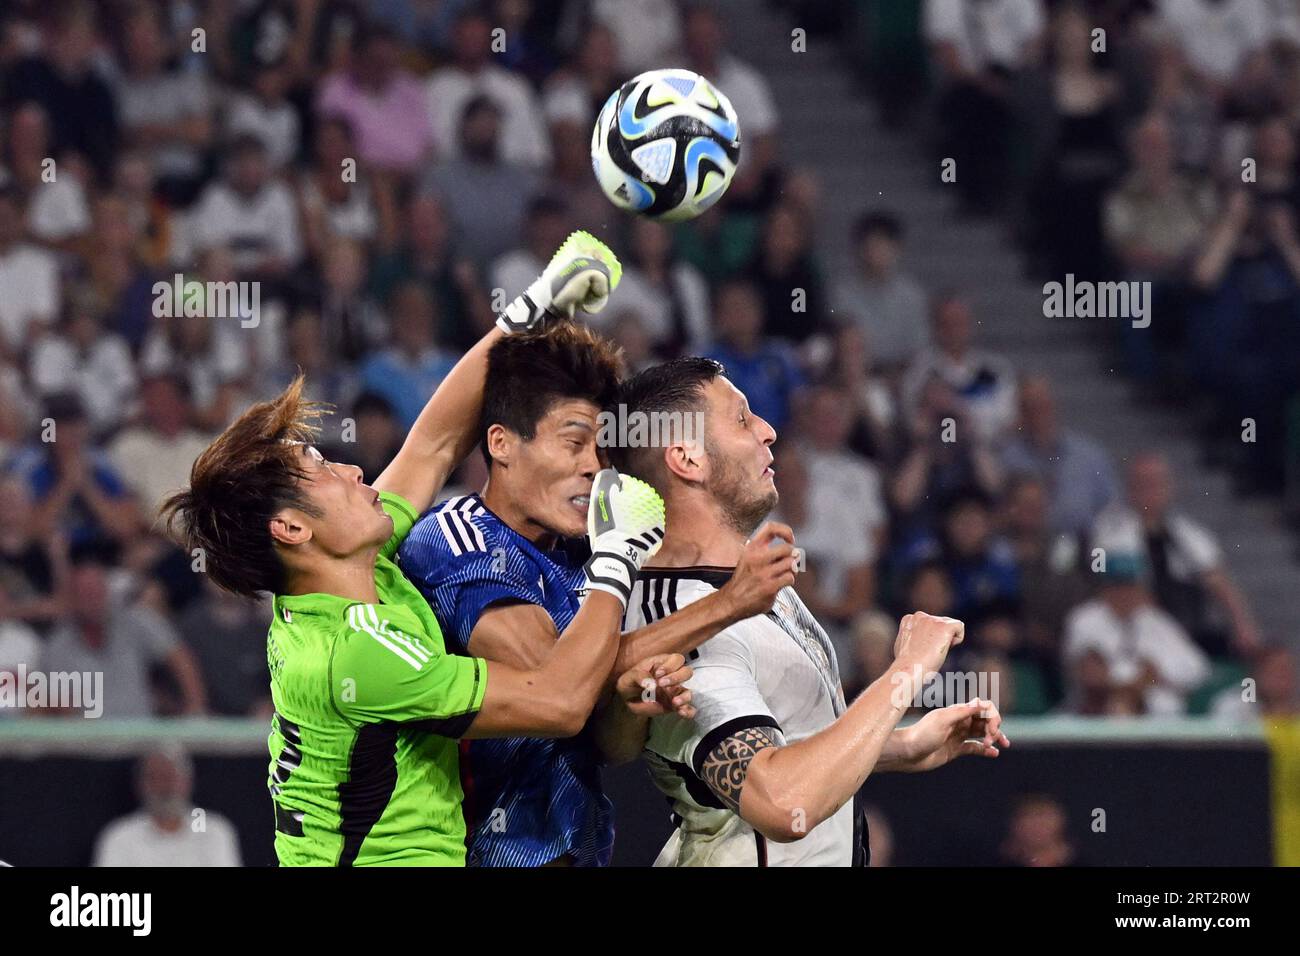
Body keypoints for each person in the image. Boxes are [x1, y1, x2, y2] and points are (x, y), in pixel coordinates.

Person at [160, 232, 690, 866]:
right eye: (326, 470)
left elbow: (435, 442)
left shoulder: (346, 571)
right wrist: (615, 560)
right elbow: (557, 702)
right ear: (292, 529)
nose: (355, 473)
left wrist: (533, 310)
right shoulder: (359, 650)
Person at [397, 327, 796, 866]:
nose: (593, 466)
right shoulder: (455, 541)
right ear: (501, 443)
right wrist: (727, 604)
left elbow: (608, 745)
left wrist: (634, 706)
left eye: (602, 449)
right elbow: (558, 685)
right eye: (573, 442)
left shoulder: (585, 547)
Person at [611, 358, 1010, 866]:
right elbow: (781, 799)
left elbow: (781, 742)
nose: (768, 431)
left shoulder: (752, 581)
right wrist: (906, 672)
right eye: (741, 418)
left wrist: (902, 745)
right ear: (687, 459)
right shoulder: (686, 621)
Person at [93, 748, 241, 867]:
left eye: (170, 777)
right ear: (140, 785)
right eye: (154, 778)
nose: (164, 787)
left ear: (187, 781)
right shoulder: (120, 836)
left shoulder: (214, 830)